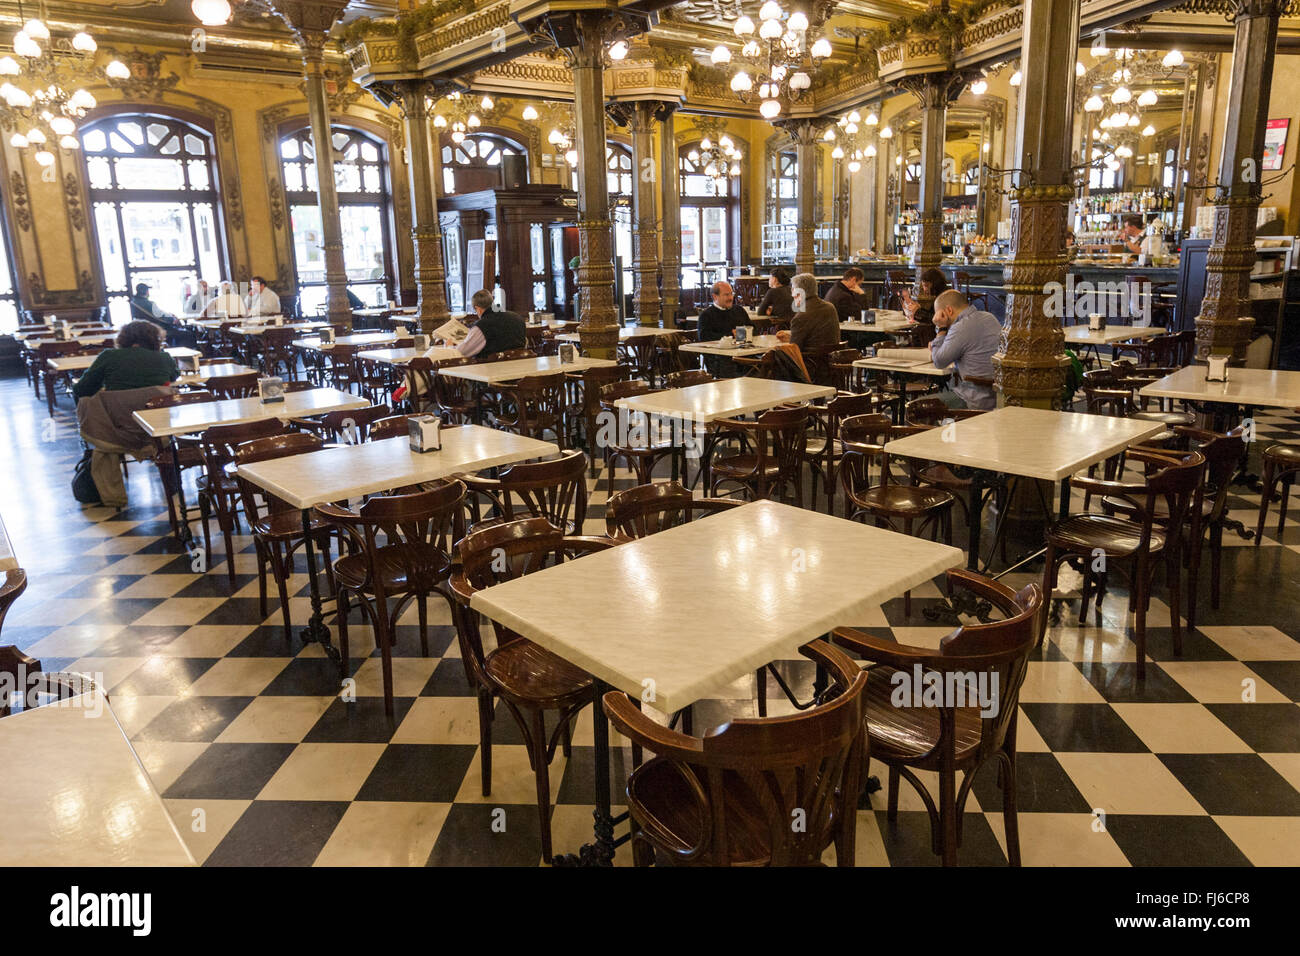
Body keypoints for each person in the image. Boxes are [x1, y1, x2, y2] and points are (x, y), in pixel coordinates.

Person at [73, 321, 180, 509]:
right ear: (155, 339)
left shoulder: (108, 356)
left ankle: (112, 493)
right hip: (158, 432)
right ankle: (171, 485)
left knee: (89, 402)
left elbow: (81, 389)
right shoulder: (164, 358)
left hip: (115, 432)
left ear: (123, 339)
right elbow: (173, 378)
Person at [928, 289, 1003, 410]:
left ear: (948, 310)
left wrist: (941, 328)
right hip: (998, 398)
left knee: (917, 407)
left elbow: (939, 362)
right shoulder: (990, 318)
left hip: (974, 398)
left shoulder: (960, 327)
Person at [778, 273, 840, 353]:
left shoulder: (800, 317)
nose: (792, 294)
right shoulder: (830, 307)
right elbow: (817, 336)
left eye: (793, 289)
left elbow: (794, 350)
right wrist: (791, 336)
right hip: (830, 359)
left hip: (810, 361)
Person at [456, 288, 526, 358]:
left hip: (493, 366)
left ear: (478, 309)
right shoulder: (517, 317)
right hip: (520, 364)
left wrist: (449, 346)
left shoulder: (482, 326)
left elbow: (462, 352)